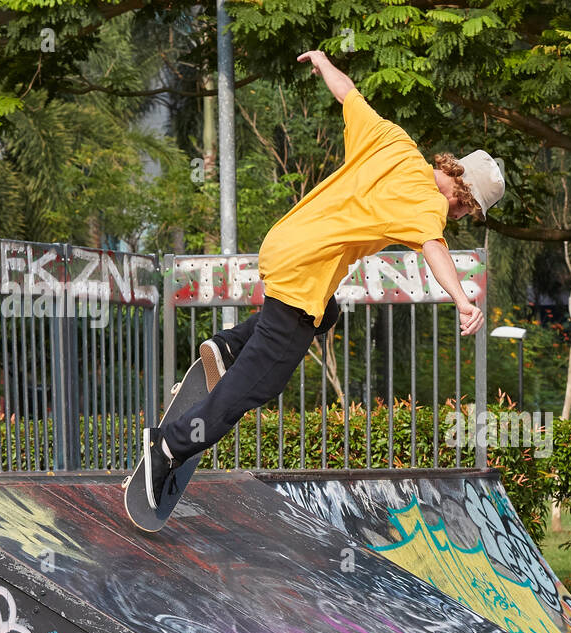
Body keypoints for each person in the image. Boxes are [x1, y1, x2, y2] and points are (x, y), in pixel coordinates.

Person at [143, 49, 505, 508]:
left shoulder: (393, 141)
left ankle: (229, 345)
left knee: (327, 311)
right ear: (459, 187)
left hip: (283, 246)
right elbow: (434, 247)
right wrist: (462, 300)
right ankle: (170, 446)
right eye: (464, 208)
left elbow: (347, 92)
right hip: (301, 278)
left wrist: (322, 62)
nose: (457, 216)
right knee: (255, 387)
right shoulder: (427, 204)